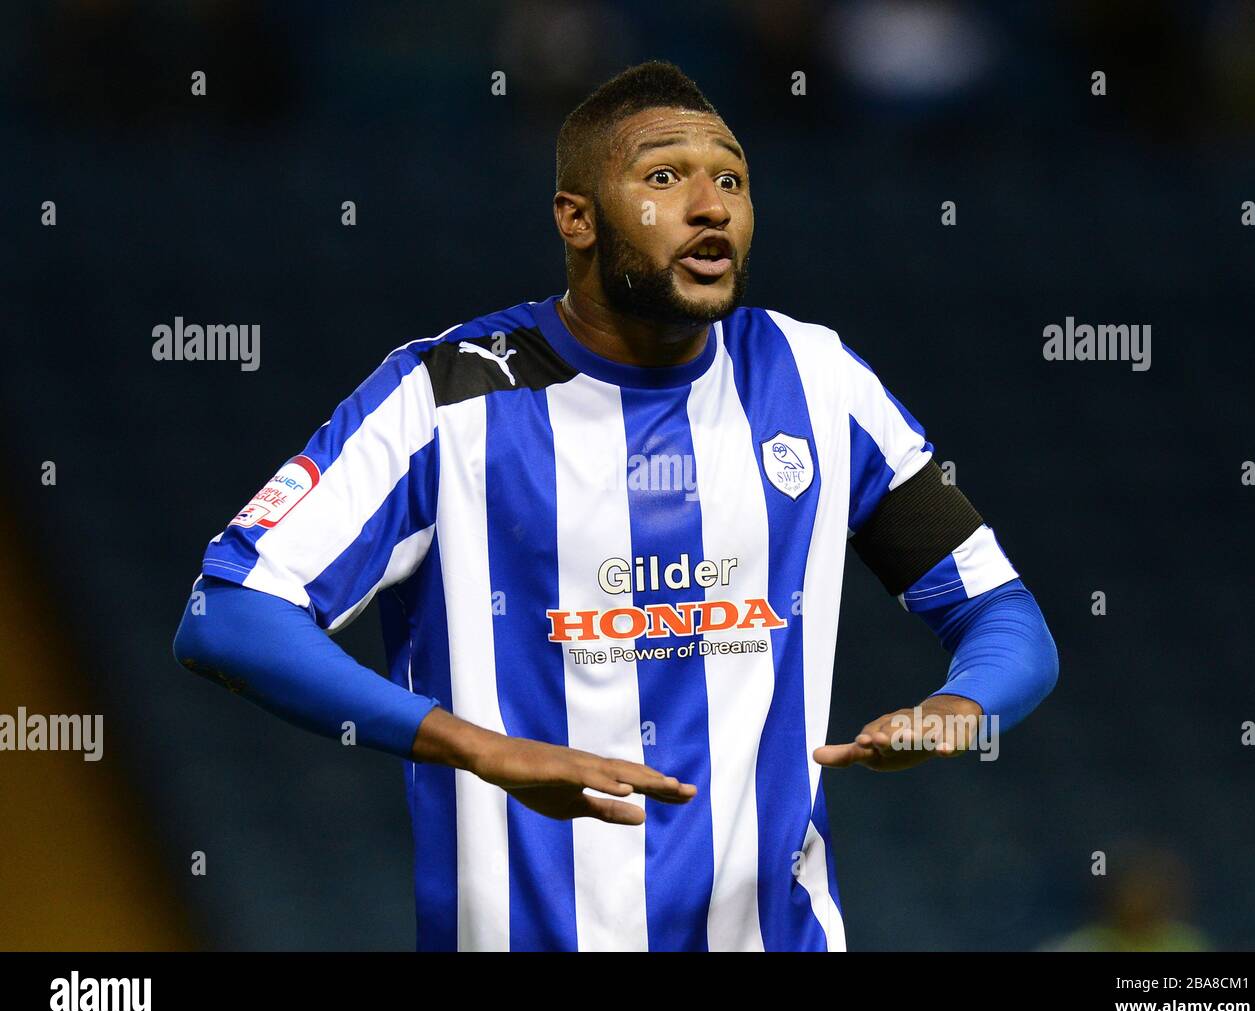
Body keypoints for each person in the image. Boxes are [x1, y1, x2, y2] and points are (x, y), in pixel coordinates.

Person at [174, 60, 1058, 951]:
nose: (710, 205)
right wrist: (478, 746)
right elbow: (227, 614)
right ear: (577, 218)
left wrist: (962, 708)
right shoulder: (445, 398)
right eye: (665, 177)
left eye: (732, 179)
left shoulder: (815, 380)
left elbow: (1002, 613)